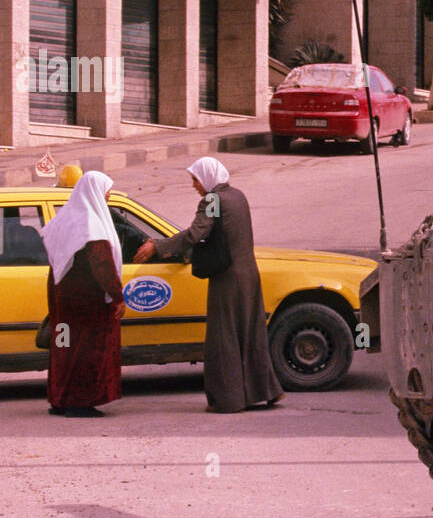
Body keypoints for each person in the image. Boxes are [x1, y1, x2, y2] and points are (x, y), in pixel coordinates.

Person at [134, 157, 283, 413]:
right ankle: (263, 390)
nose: (194, 185)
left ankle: (229, 399)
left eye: (196, 179)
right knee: (249, 334)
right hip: (248, 275)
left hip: (227, 279)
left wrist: (157, 246)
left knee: (223, 337)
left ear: (208, 177)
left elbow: (196, 234)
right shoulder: (237, 196)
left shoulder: (213, 201)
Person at [41, 171, 125, 418]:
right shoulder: (91, 226)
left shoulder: (66, 218)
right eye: (107, 189)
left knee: (62, 346)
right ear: (95, 191)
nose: (109, 194)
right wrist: (117, 296)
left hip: (62, 300)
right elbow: (102, 265)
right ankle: (79, 401)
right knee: (85, 349)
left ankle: (60, 399)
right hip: (86, 304)